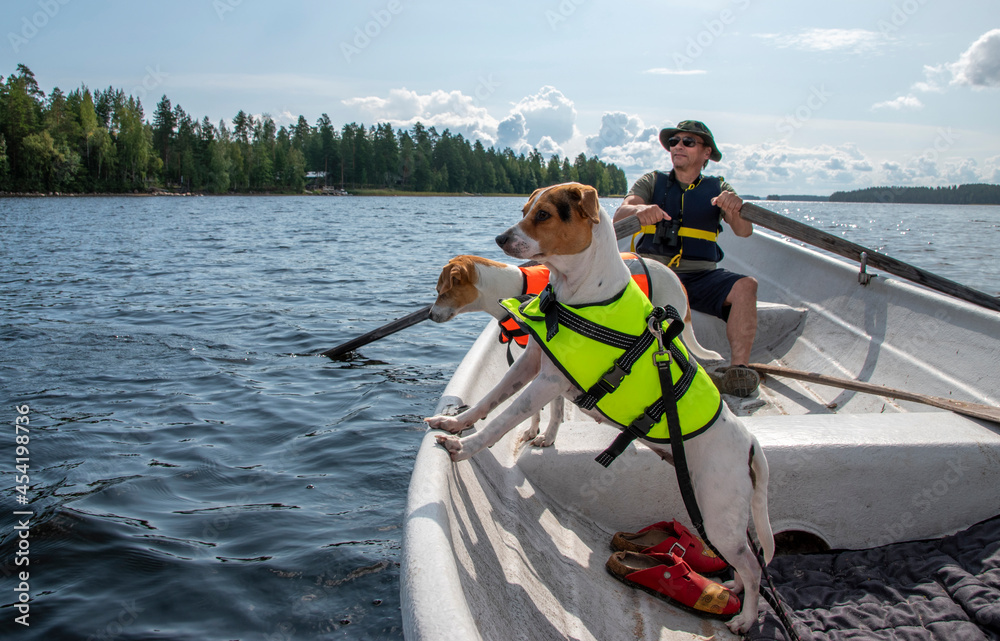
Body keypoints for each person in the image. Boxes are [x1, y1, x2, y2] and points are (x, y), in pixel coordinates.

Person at [613, 120, 760, 397]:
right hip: (654, 274)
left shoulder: (720, 188)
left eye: (688, 142)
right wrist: (640, 209)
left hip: (700, 277)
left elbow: (744, 231)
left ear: (706, 153)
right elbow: (621, 214)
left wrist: (733, 208)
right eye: (674, 141)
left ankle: (739, 371)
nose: (678, 146)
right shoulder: (651, 181)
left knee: (746, 286)